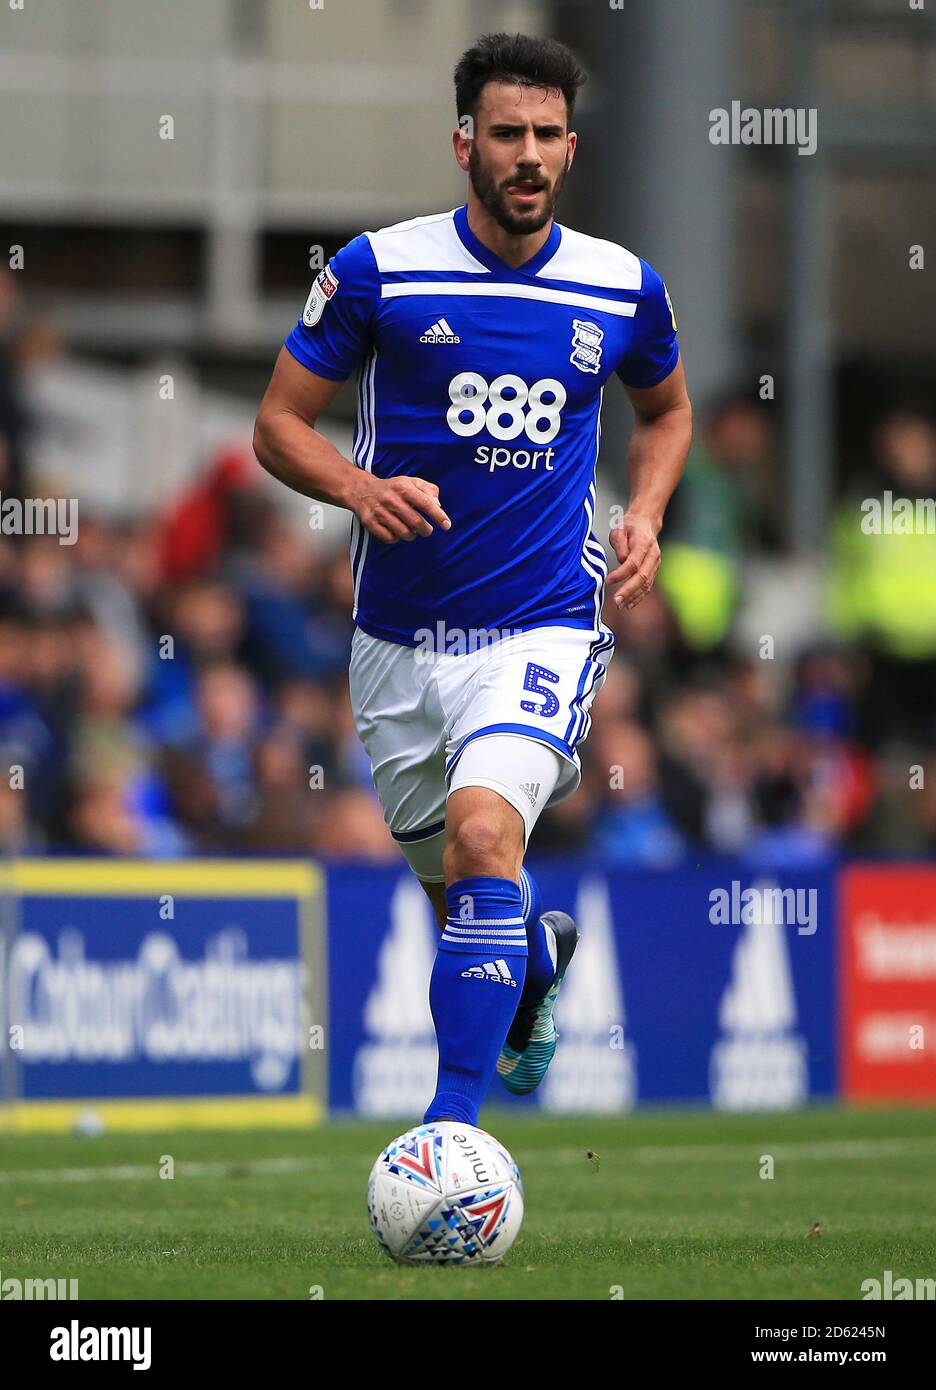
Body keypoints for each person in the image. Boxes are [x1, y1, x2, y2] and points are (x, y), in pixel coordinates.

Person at [253, 32, 691, 1127]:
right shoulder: (376, 270)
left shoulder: (623, 287)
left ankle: (449, 1133)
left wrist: (643, 510)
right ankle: (533, 958)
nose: (528, 155)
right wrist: (357, 490)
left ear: (571, 148)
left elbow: (670, 408)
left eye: (547, 135)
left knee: (488, 837)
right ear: (465, 145)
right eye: (507, 134)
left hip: (539, 627)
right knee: (465, 896)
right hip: (396, 641)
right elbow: (276, 427)